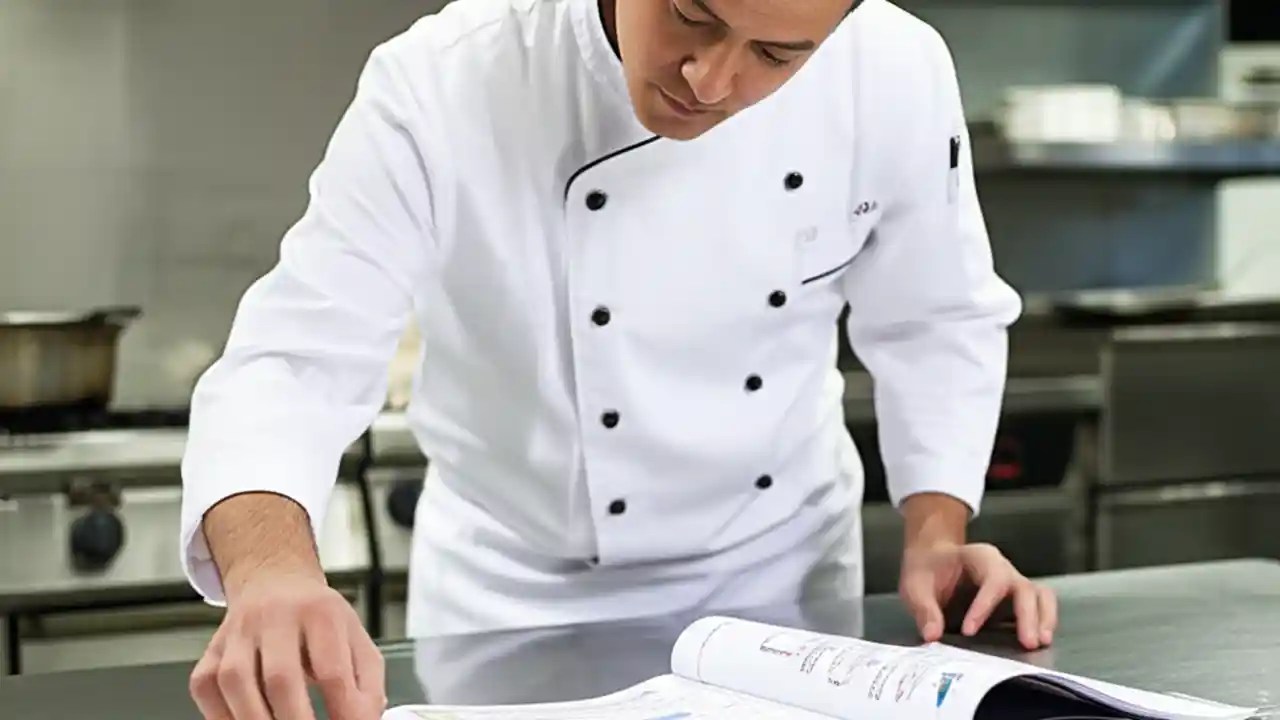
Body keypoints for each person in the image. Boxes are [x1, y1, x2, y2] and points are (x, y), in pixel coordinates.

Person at [180, 0, 1059, 716]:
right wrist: (272, 571)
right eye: (690, 15)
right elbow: (295, 356)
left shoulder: (893, 71)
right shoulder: (449, 77)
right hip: (510, 599)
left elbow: (936, 318)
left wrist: (937, 536)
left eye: (776, 56)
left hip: (778, 585)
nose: (710, 79)